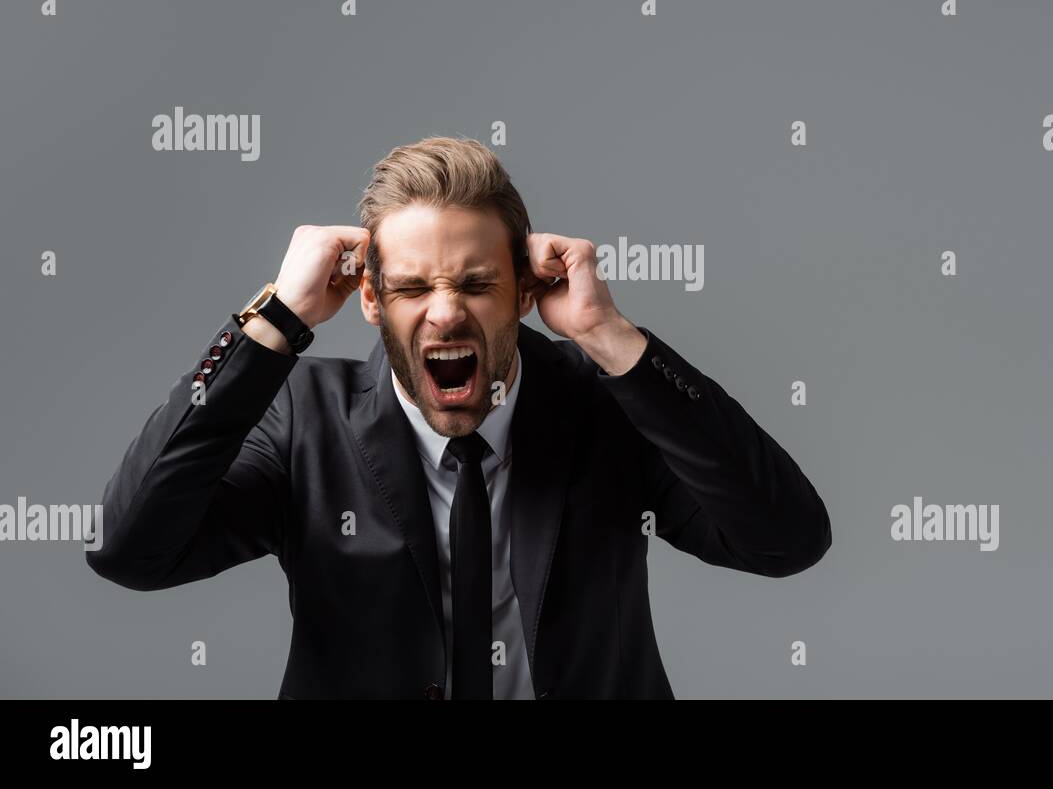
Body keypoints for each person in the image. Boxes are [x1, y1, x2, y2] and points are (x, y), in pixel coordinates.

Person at [86, 136, 832, 699]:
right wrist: (273, 322)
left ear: (522, 293)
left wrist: (610, 335)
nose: (445, 312)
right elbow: (130, 549)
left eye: (477, 283)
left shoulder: (601, 405)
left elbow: (786, 539)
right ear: (372, 301)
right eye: (412, 287)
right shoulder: (306, 416)